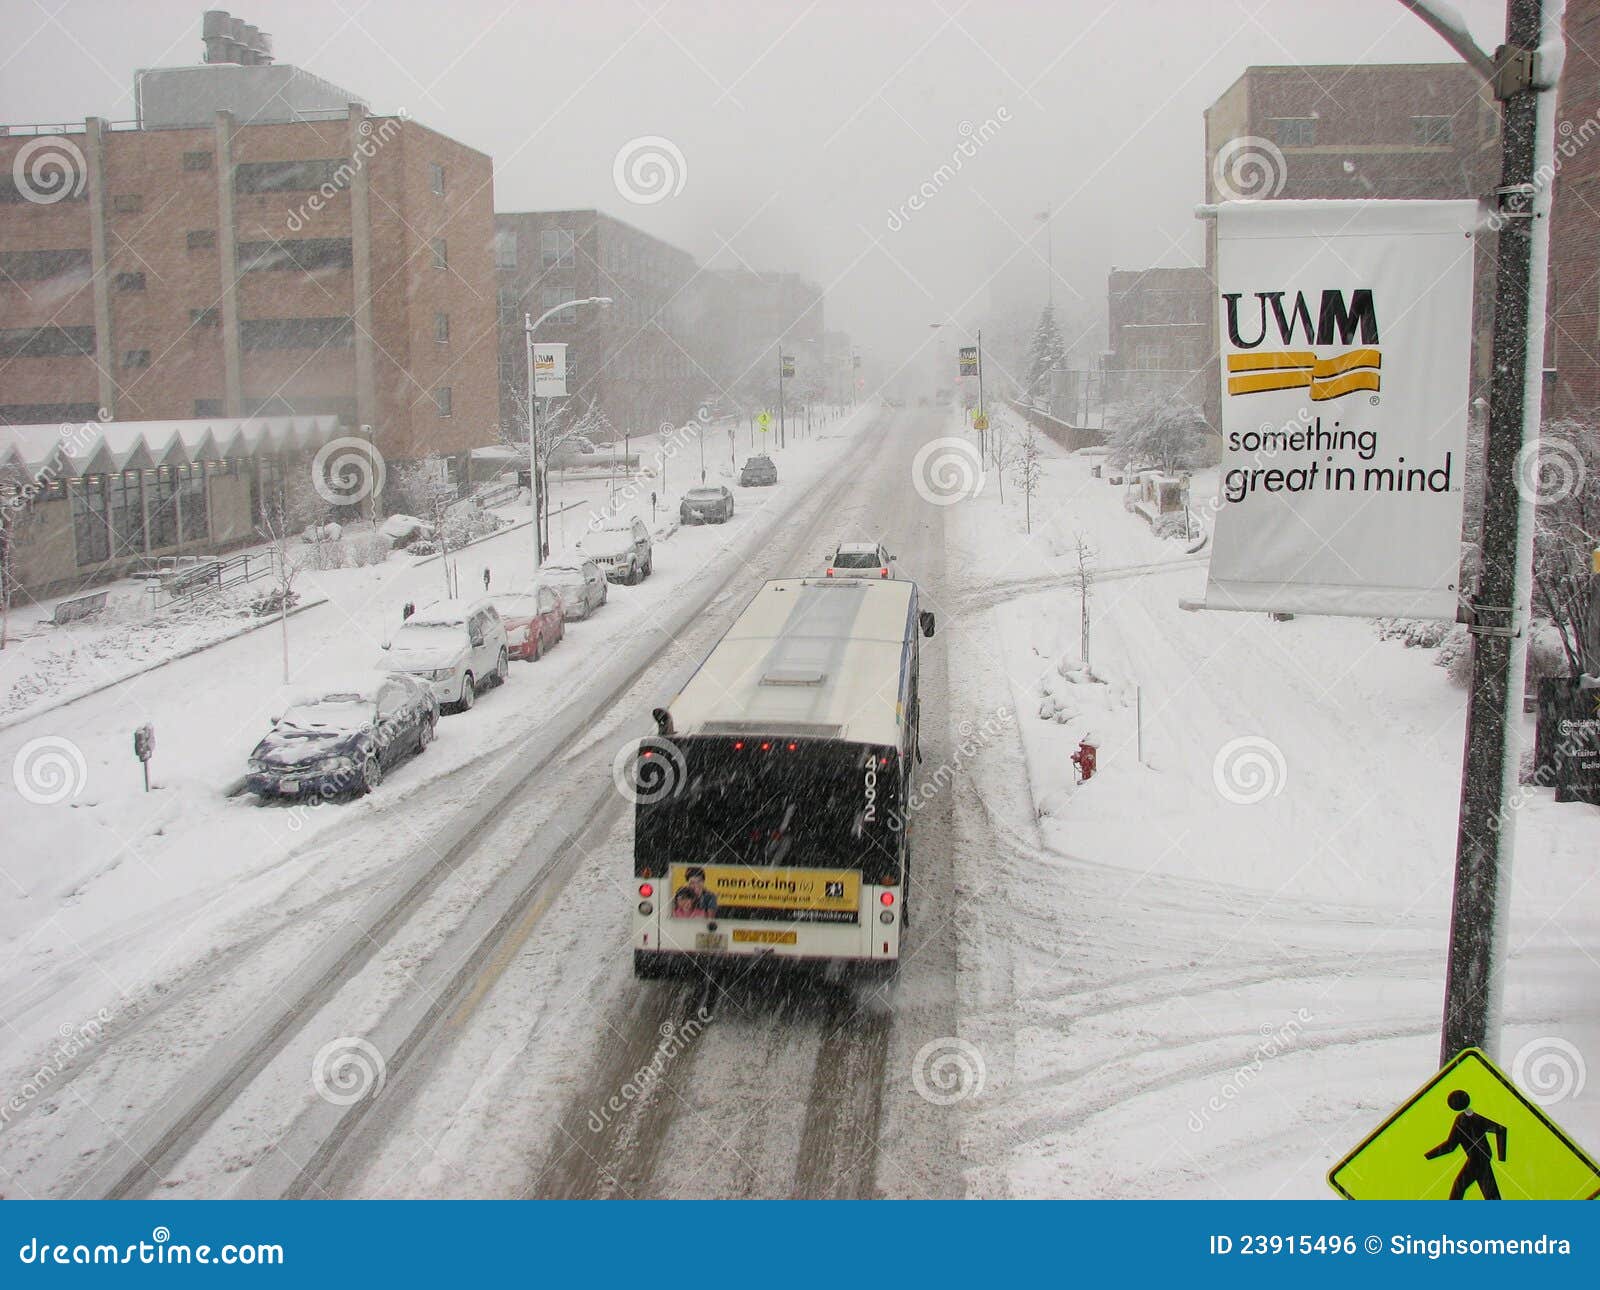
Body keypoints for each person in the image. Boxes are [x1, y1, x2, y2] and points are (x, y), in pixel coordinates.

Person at [1424, 1089, 1508, 1200]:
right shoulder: (1468, 1118)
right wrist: (1428, 1156)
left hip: (1477, 1159)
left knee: (1459, 1186)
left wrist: (1501, 1157)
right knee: (1489, 1193)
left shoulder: (1465, 1119)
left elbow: (1450, 1146)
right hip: (1482, 1158)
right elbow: (1450, 1146)